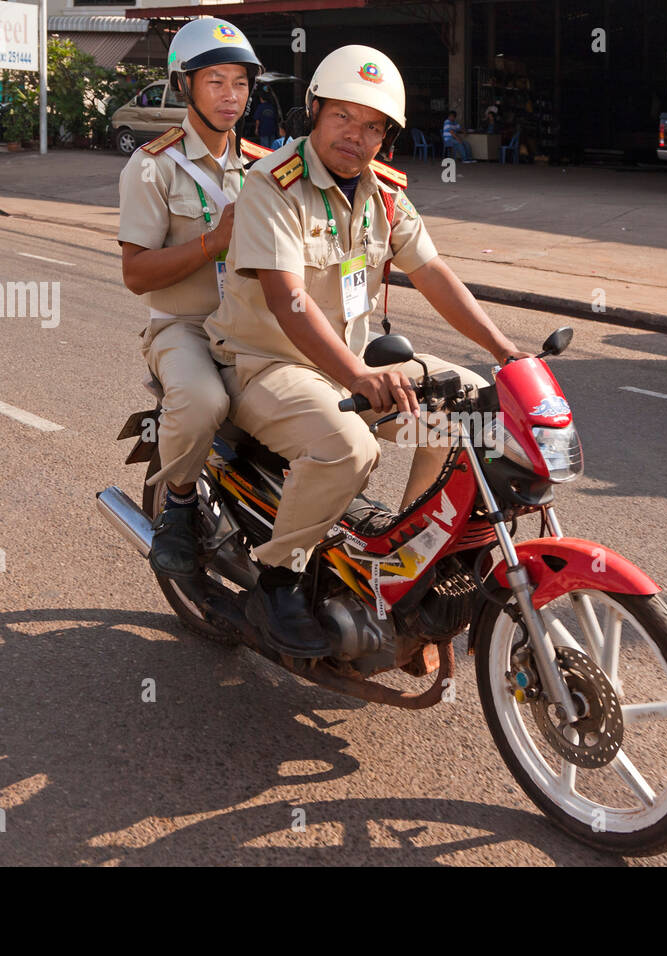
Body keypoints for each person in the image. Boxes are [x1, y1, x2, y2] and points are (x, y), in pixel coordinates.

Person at [207, 45, 526, 657]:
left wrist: (508, 352)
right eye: (343, 118)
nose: (356, 136)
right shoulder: (272, 184)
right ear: (315, 112)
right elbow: (286, 299)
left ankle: (407, 564)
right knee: (348, 448)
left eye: (373, 125)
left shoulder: (383, 197)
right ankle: (278, 578)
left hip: (346, 371)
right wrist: (356, 371)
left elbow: (433, 274)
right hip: (266, 365)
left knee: (470, 403)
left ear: (387, 137)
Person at [117, 18, 272, 579]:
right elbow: (136, 272)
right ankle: (179, 506)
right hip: (183, 326)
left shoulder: (262, 166)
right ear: (185, 86)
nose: (232, 96)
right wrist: (213, 242)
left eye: (240, 82)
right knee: (206, 403)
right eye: (216, 82)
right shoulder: (152, 166)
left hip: (253, 324)